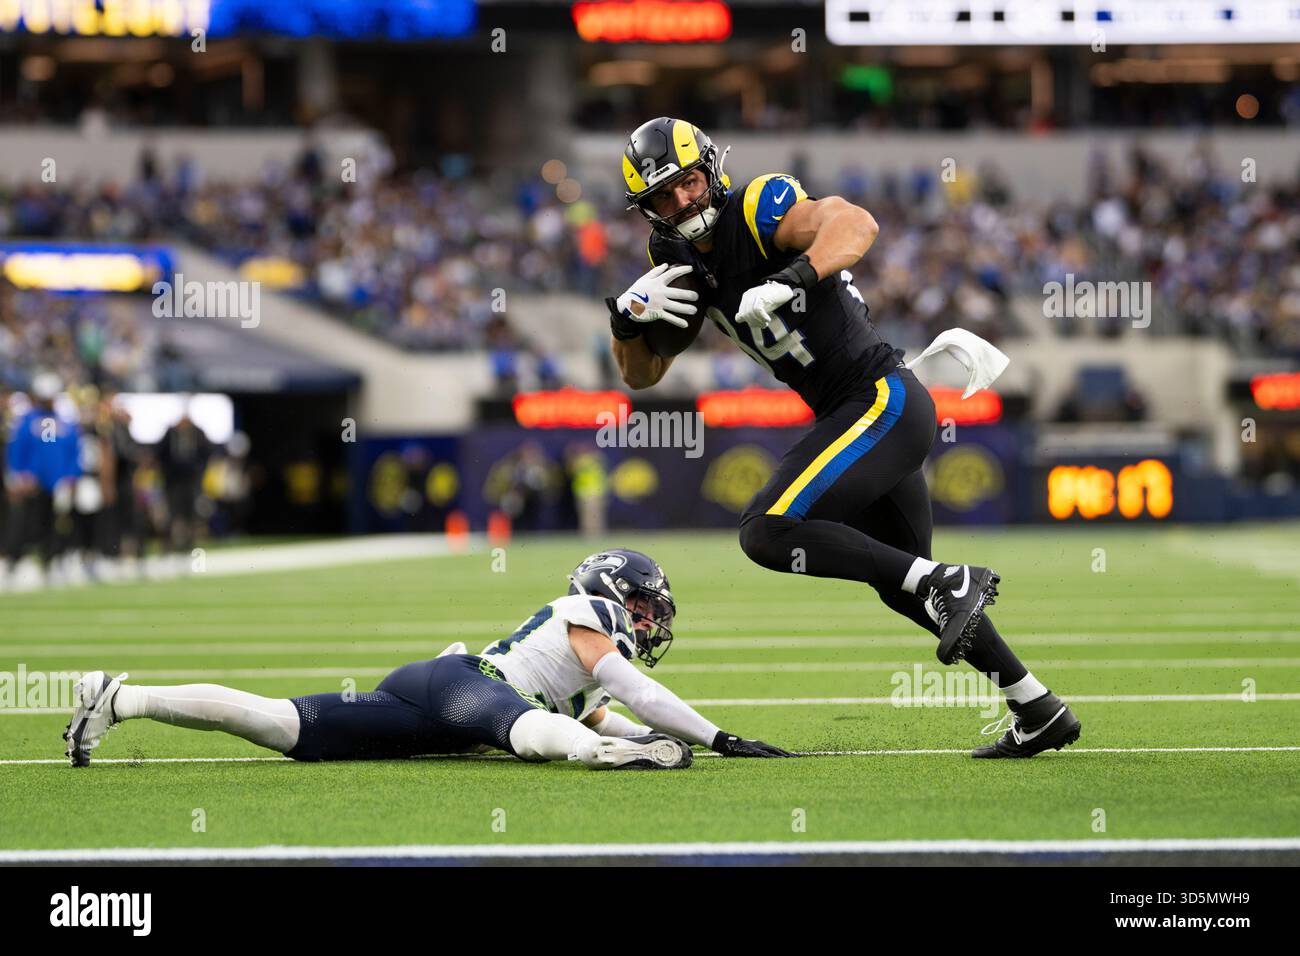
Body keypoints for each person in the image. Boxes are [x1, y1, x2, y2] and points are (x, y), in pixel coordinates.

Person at [605, 118, 1079, 757]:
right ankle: (1036, 705)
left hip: (880, 397)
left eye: (688, 182)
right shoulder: (676, 264)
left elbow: (856, 224)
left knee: (766, 530)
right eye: (664, 196)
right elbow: (642, 375)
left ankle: (950, 583)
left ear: (710, 170)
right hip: (855, 414)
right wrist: (625, 324)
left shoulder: (757, 205)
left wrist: (792, 277)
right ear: (648, 209)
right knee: (908, 585)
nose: (683, 201)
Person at [64, 549, 792, 769]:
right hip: (467, 686)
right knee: (528, 737)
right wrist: (717, 737)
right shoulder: (591, 616)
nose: (648, 618)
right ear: (612, 595)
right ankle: (597, 761)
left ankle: (119, 699)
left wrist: (647, 738)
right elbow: (633, 690)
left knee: (281, 727)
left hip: (435, 705)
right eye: (644, 603)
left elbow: (628, 713)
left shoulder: (573, 664)